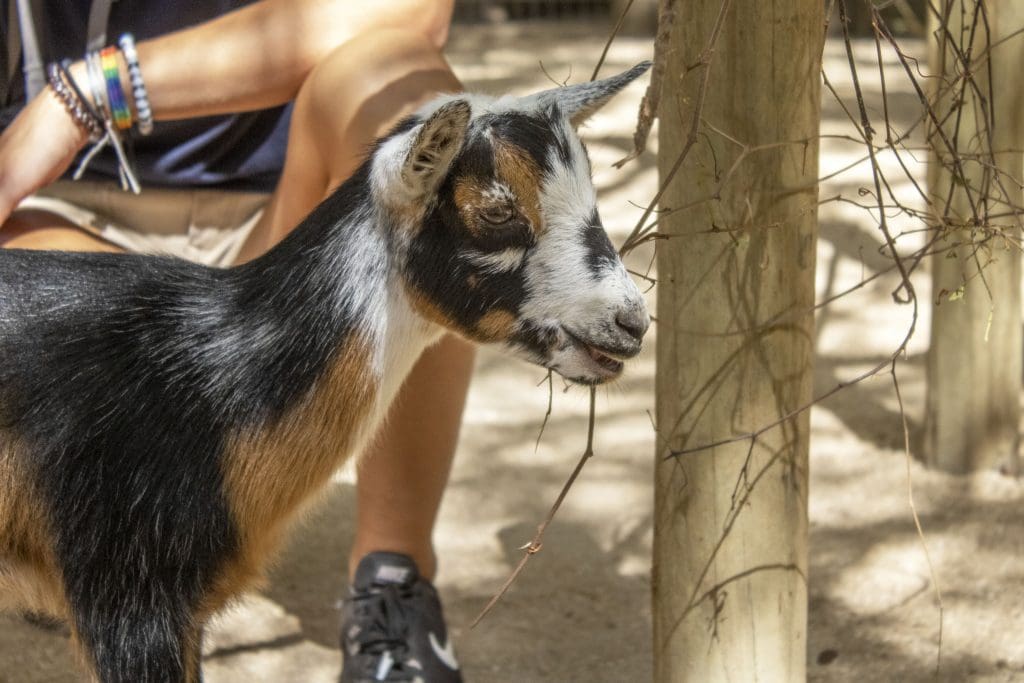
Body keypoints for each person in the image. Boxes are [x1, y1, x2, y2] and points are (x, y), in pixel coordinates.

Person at [0, 1, 471, 681]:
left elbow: (411, 9)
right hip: (62, 220)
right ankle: (61, 536)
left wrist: (89, 95)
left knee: (406, 89)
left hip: (287, 232)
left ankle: (392, 585)